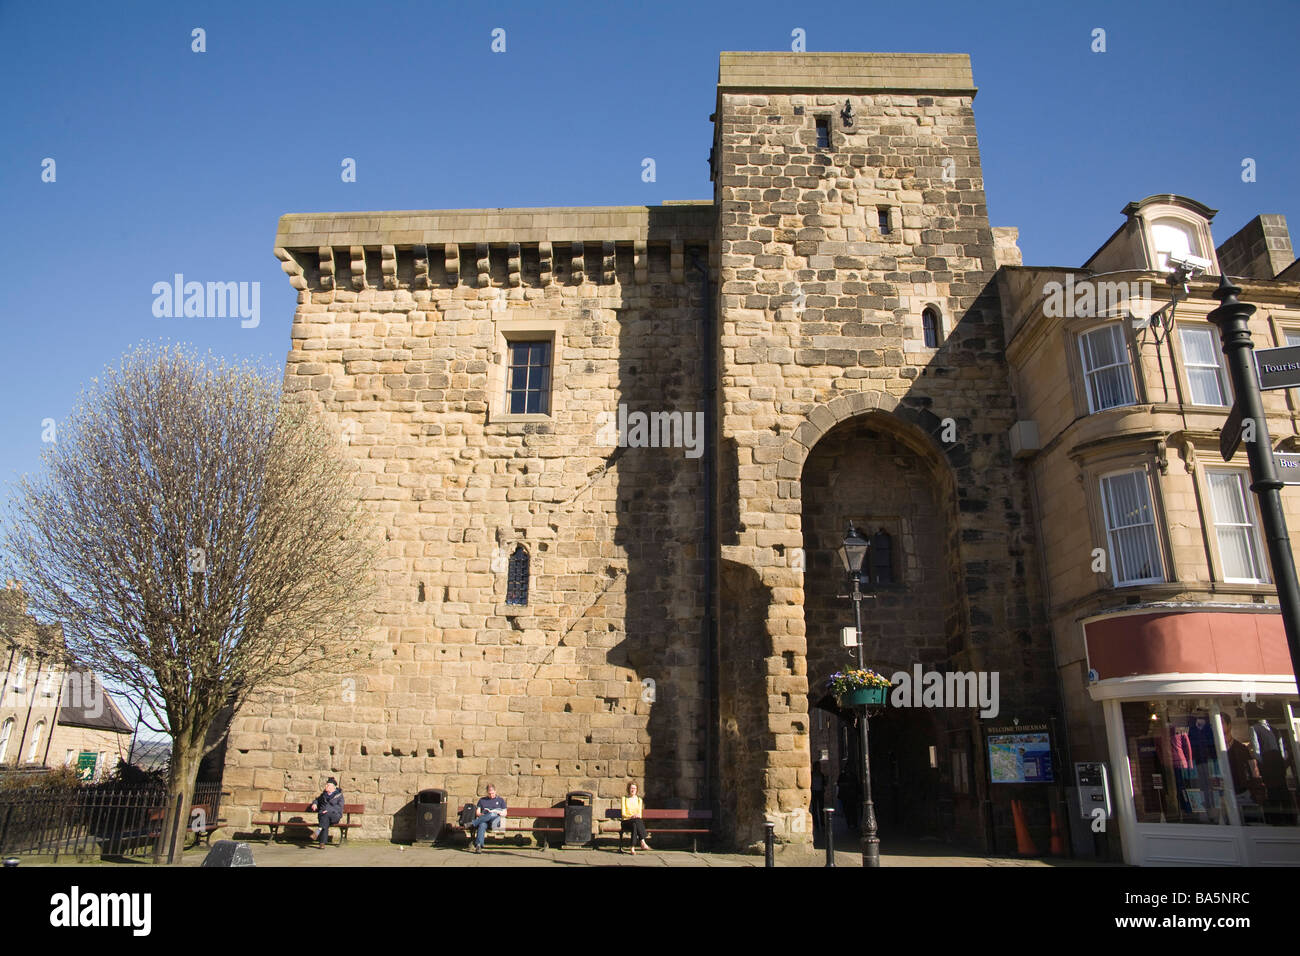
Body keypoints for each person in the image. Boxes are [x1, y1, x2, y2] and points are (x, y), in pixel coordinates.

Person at [308, 777, 345, 848]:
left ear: (333, 787)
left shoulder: (339, 796)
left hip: (334, 816)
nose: (326, 786)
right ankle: (322, 842)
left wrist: (329, 810)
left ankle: (321, 839)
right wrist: (315, 803)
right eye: (326, 785)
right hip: (324, 816)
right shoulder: (323, 795)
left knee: (325, 816)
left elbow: (339, 808)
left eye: (328, 785)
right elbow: (317, 800)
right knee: (325, 819)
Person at [470, 783, 507, 853]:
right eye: (489, 793)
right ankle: (478, 845)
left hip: (495, 822)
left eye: (492, 793)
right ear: (487, 792)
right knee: (482, 825)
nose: (491, 795)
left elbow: (505, 813)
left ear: (495, 791)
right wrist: (481, 814)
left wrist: (498, 812)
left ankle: (473, 823)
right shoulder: (482, 800)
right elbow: (477, 813)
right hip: (485, 821)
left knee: (492, 813)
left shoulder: (500, 800)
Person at [621, 781, 650, 854]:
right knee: (636, 821)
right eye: (631, 788)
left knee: (635, 824)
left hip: (635, 822)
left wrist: (635, 816)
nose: (633, 790)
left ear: (636, 790)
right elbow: (623, 814)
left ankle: (632, 847)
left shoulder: (639, 800)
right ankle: (642, 841)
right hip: (626, 821)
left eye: (634, 788)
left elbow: (640, 814)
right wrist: (631, 816)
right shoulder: (624, 798)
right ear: (628, 789)